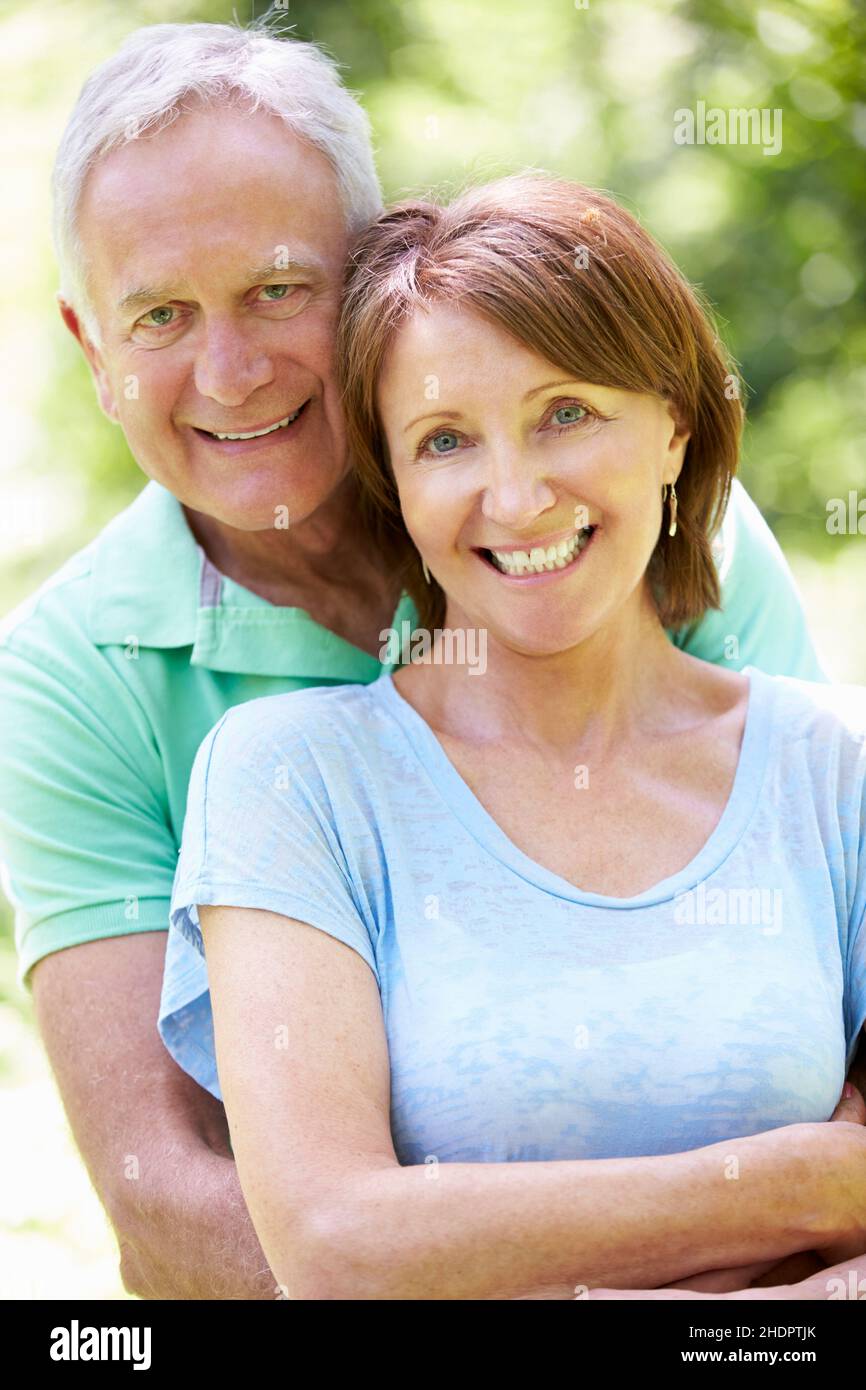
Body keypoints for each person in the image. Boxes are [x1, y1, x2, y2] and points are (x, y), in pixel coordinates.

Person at [0, 19, 837, 1301]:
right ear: (90, 344)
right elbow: (172, 1207)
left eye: (279, 289)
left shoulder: (650, 538)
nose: (229, 370)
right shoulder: (80, 680)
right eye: (159, 314)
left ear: (370, 274)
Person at [165, 175, 866, 1300]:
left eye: (566, 414)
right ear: (394, 484)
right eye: (444, 440)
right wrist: (791, 1184)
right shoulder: (288, 779)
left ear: (674, 430)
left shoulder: (837, 771)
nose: (515, 493)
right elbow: (335, 1245)